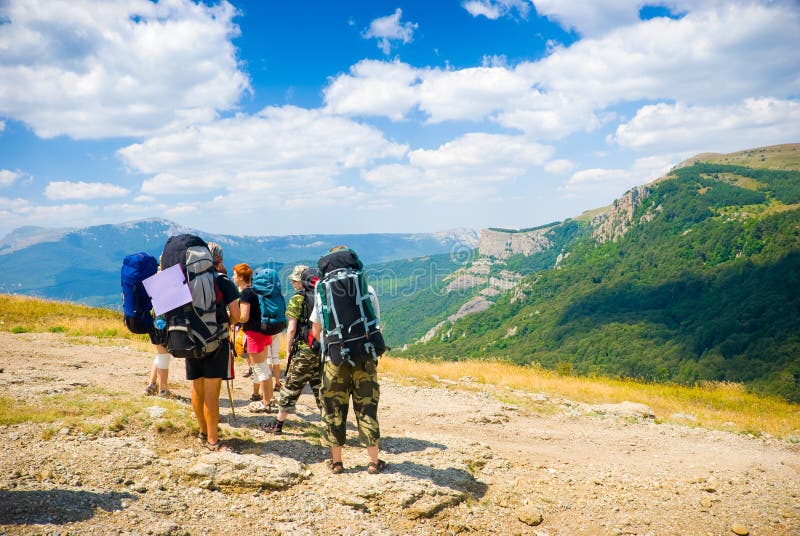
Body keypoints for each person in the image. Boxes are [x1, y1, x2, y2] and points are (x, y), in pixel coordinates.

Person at [309, 246, 386, 474]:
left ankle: (337, 462)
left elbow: (315, 331)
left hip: (335, 360)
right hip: (364, 357)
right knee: (367, 408)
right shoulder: (366, 289)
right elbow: (375, 322)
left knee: (333, 409)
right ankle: (373, 462)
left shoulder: (323, 290)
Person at [185, 241, 240, 452]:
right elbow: (237, 315)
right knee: (211, 393)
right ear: (219, 259)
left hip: (191, 340)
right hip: (216, 342)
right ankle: (213, 441)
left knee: (196, 389)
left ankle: (202, 431)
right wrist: (224, 321)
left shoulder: (188, 280)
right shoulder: (223, 281)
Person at [264, 265, 322, 435]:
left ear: (300, 281)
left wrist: (288, 349)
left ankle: (277, 425)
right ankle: (332, 429)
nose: (292, 283)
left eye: (294, 280)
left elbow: (291, 328)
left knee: (290, 387)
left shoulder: (297, 299)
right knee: (321, 389)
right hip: (320, 348)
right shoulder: (321, 297)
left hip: (303, 350)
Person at [232, 262, 275, 413]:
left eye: (235, 275)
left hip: (254, 335)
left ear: (241, 278)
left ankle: (265, 401)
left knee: (259, 368)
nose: (233, 277)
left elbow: (244, 317)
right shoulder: (256, 290)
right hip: (264, 332)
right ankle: (269, 399)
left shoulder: (245, 294)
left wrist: (231, 318)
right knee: (264, 368)